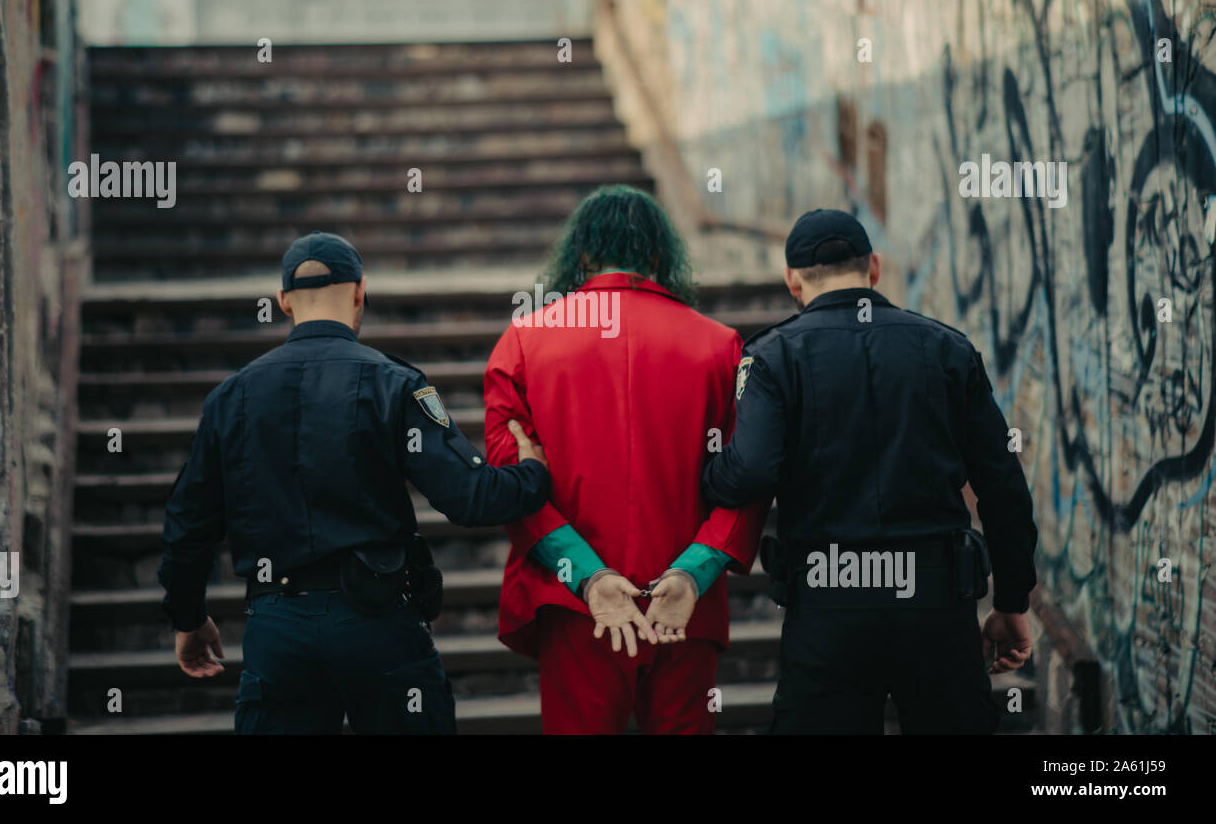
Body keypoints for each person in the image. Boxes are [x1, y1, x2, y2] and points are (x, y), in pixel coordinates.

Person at [158, 230, 551, 734]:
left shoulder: (231, 398)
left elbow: (188, 524)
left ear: (282, 301)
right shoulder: (394, 383)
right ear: (361, 290)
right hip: (378, 622)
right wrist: (533, 471)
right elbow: (470, 497)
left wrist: (188, 617)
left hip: (278, 629)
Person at [702, 208, 1038, 734]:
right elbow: (1003, 486)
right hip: (936, 604)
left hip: (828, 603)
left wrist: (707, 473)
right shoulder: (948, 349)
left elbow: (748, 472)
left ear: (791, 280)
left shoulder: (771, 357)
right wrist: (1013, 599)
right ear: (874, 268)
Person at [483, 185, 768, 735]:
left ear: (582, 256)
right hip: (685, 607)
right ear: (661, 256)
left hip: (574, 609)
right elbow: (750, 477)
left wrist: (587, 577)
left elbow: (510, 485)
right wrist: (692, 572)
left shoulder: (523, 341)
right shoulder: (722, 346)